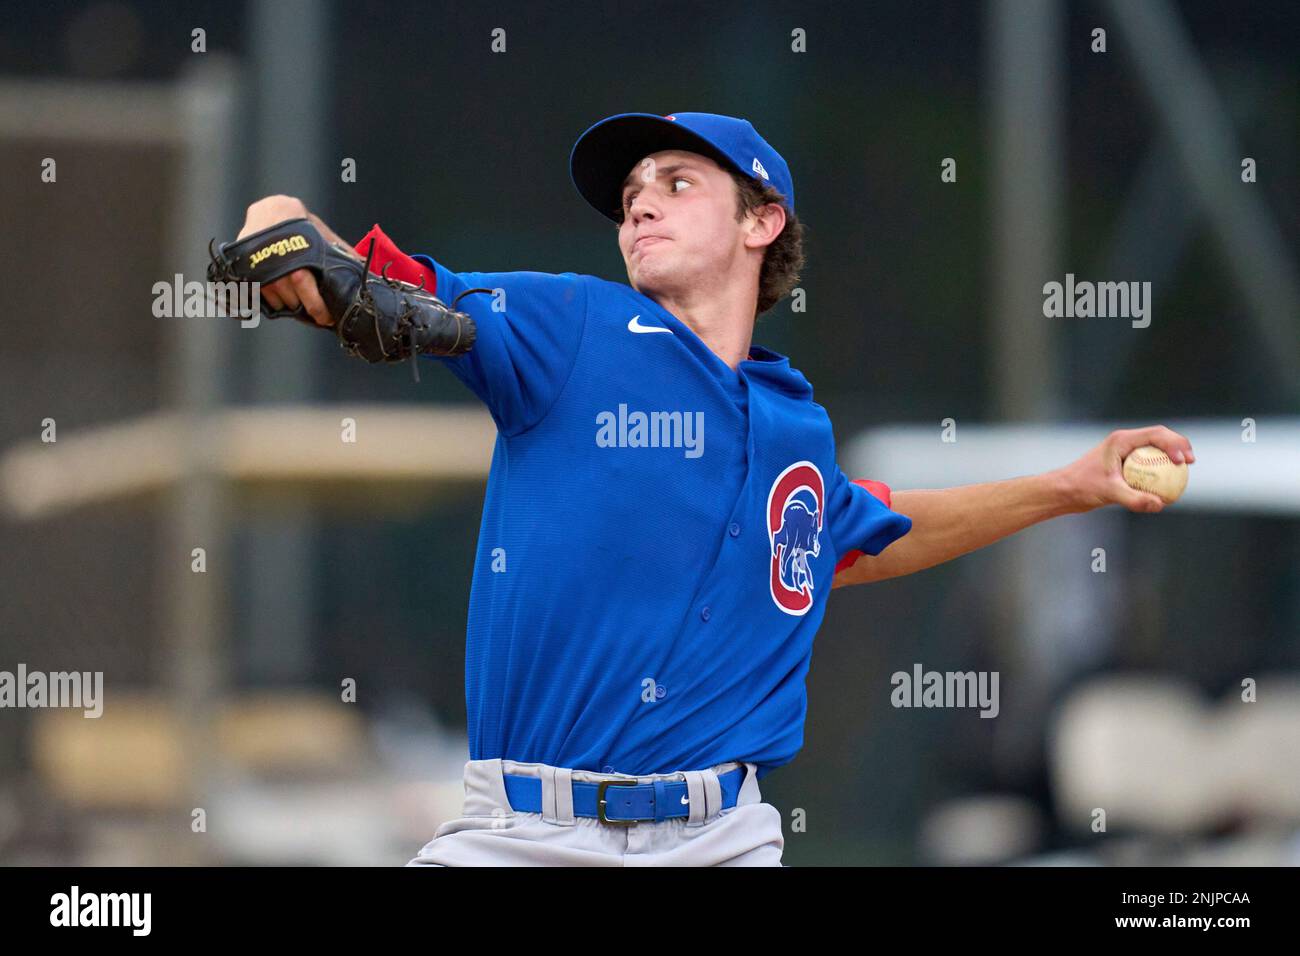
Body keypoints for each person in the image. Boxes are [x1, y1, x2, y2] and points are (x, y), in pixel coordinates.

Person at [235, 112, 1194, 866]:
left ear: (761, 220)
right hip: (529, 835)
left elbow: (865, 540)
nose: (639, 205)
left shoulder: (791, 425)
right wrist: (280, 228)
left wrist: (1072, 486)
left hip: (719, 840)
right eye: (630, 195)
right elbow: (378, 281)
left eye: (677, 183)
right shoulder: (569, 328)